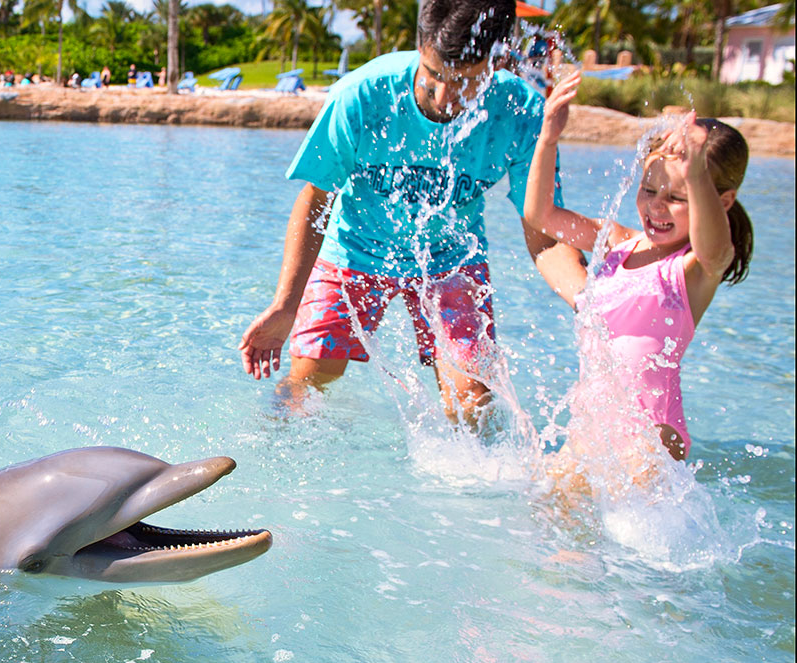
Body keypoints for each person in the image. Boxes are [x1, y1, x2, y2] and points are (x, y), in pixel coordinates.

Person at [237, 0, 574, 428]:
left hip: (452, 259)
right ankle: (267, 462)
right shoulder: (363, 95)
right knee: (310, 379)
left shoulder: (521, 113)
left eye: (467, 83)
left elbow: (542, 230)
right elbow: (316, 199)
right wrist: (285, 305)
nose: (446, 97)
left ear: (500, 61)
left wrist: (587, 300)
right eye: (434, 76)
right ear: (421, 46)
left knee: (472, 398)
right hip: (354, 252)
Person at [522, 71, 753, 466]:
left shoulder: (693, 268)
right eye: (648, 190)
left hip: (651, 436)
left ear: (722, 201)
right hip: (592, 429)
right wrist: (548, 139)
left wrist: (696, 172)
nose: (656, 207)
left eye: (677, 197)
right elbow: (540, 216)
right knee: (544, 515)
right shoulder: (618, 240)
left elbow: (716, 249)